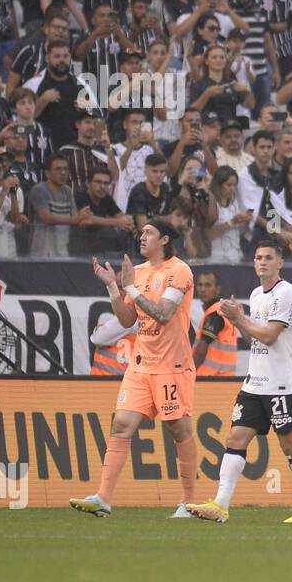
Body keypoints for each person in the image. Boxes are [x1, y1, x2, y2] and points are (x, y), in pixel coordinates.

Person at [70, 220, 199, 519]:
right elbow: (128, 319)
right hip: (141, 365)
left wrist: (128, 286)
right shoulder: (138, 272)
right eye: (141, 232)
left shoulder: (178, 271)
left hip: (172, 366)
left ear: (165, 239)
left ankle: (189, 502)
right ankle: (103, 498)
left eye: (149, 233)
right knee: (121, 425)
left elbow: (164, 314)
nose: (142, 236)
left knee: (179, 430)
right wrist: (113, 286)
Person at [186, 239, 292, 524]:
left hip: (281, 384)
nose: (262, 262)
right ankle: (220, 505)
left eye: (269, 257)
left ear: (280, 263)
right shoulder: (257, 293)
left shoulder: (286, 293)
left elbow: (270, 336)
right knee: (235, 438)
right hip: (254, 382)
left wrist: (239, 317)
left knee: (291, 447)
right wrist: (238, 321)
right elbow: (253, 337)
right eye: (258, 257)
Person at [192, 270, 238, 377]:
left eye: (208, 285)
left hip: (210, 380)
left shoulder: (216, 313)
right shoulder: (221, 310)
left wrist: (187, 377)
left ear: (217, 289)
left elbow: (201, 353)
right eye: (200, 285)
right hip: (223, 379)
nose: (203, 289)